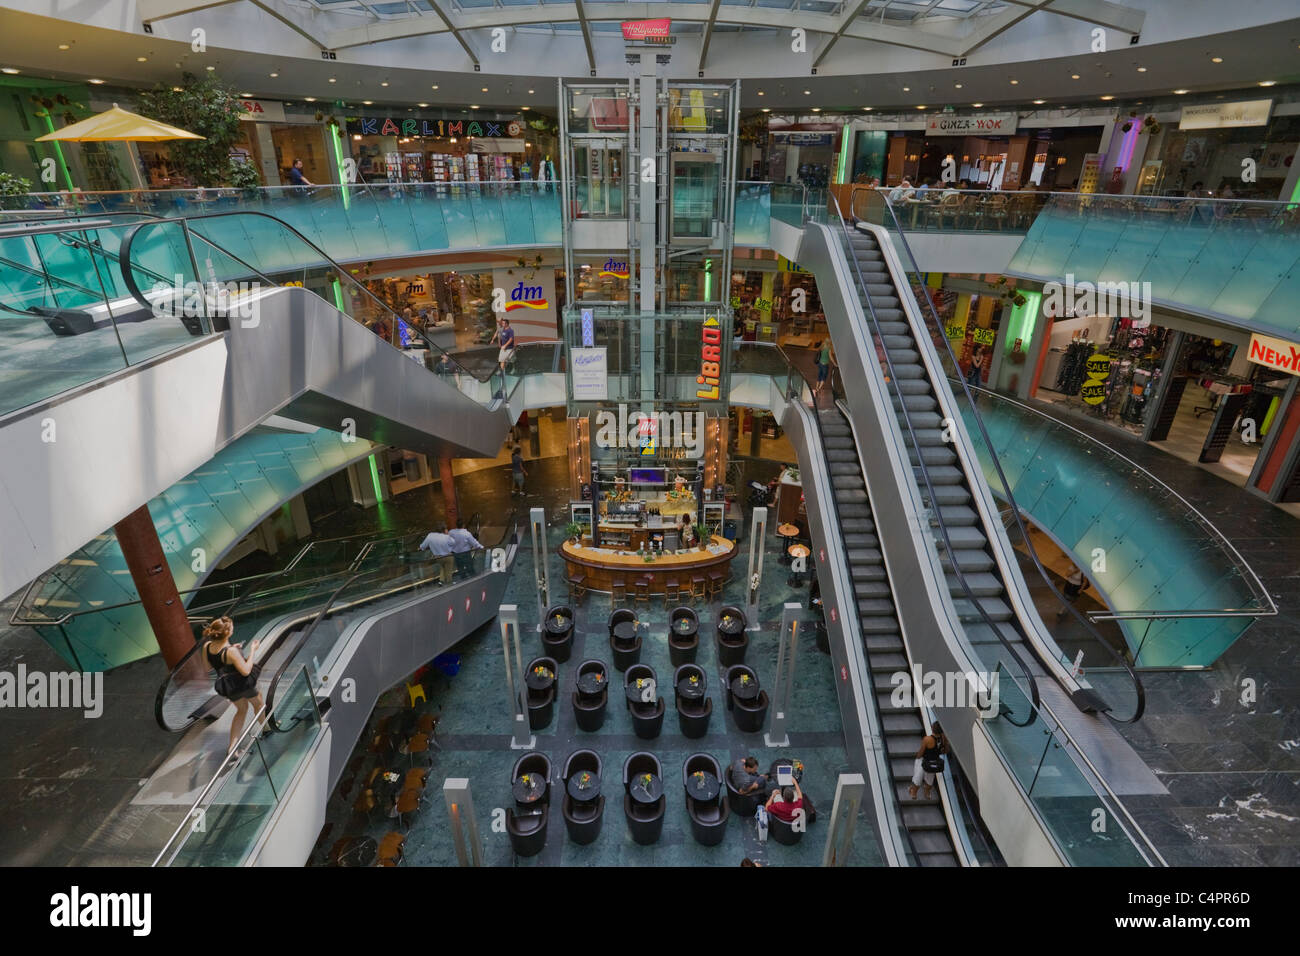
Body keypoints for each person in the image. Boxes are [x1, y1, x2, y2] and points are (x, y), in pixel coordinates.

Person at [202, 616, 268, 754]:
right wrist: (252, 650)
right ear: (227, 633)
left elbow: (208, 666)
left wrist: (231, 651)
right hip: (243, 684)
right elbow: (245, 671)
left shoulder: (207, 646)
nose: (233, 628)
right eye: (231, 627)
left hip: (229, 687)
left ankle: (232, 748)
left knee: (241, 710)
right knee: (258, 704)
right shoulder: (230, 651)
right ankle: (266, 727)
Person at [909, 722, 947, 800]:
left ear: (932, 728)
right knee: (930, 780)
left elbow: (921, 752)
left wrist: (917, 758)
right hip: (934, 762)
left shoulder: (927, 739)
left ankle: (913, 791)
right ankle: (927, 791)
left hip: (924, 761)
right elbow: (945, 751)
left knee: (918, 778)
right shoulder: (943, 738)